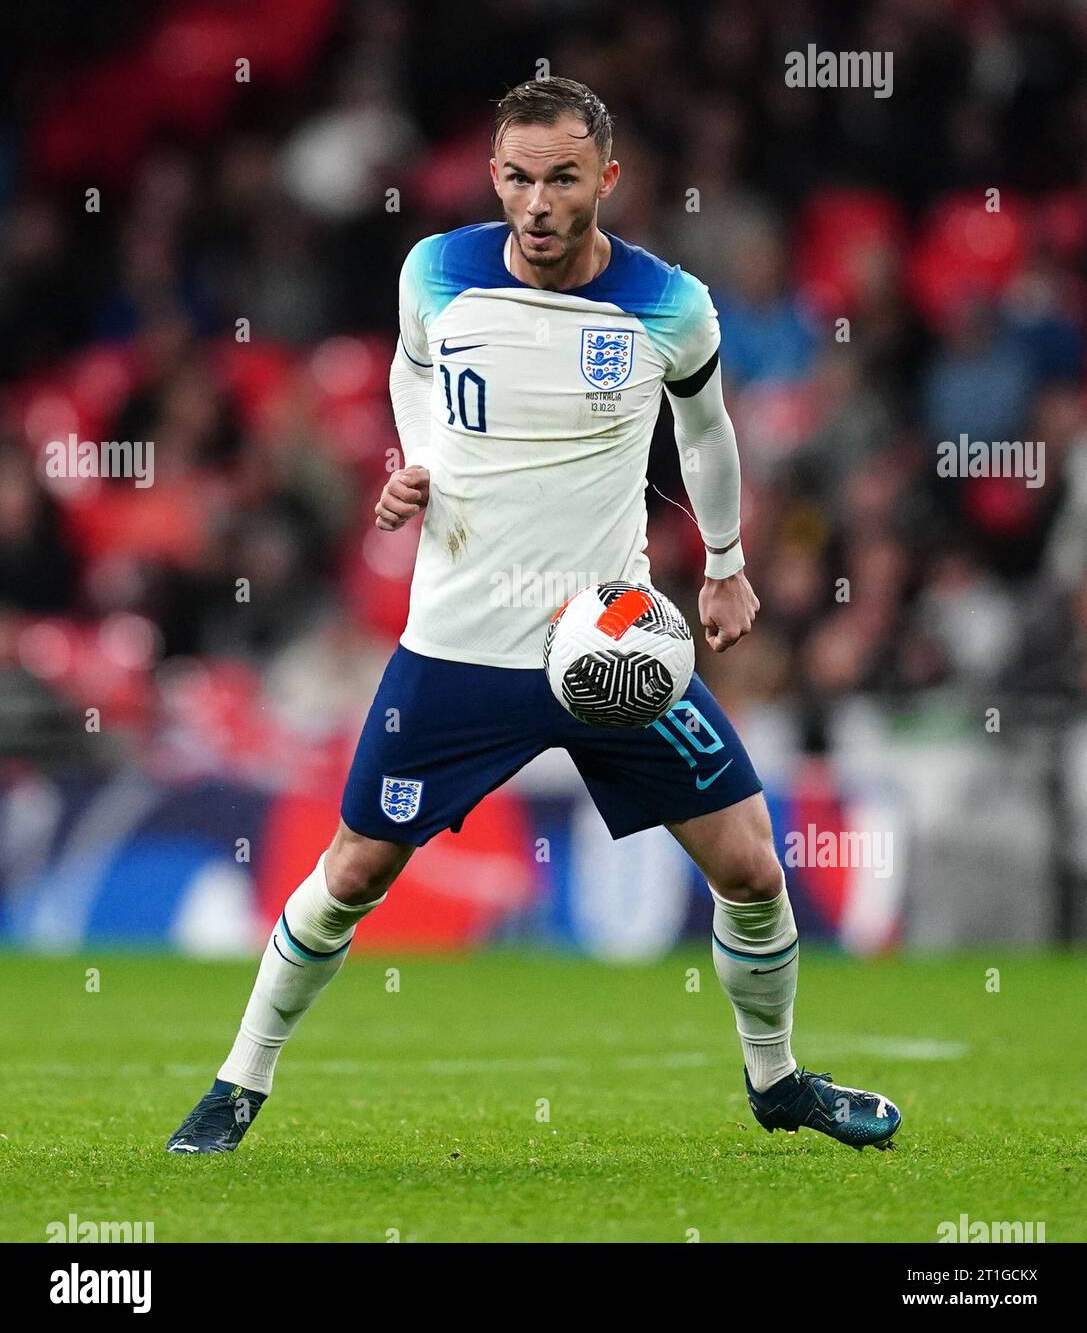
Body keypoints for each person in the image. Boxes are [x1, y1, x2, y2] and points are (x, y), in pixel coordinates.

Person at [167, 77, 900, 1154]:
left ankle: (777, 1079)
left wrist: (730, 564)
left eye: (563, 177)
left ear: (605, 178)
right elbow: (413, 375)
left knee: (751, 866)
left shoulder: (668, 303)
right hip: (459, 644)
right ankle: (238, 1081)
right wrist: (416, 462)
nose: (539, 200)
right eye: (518, 175)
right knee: (354, 873)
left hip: (610, 648)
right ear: (494, 177)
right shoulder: (437, 271)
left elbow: (705, 434)